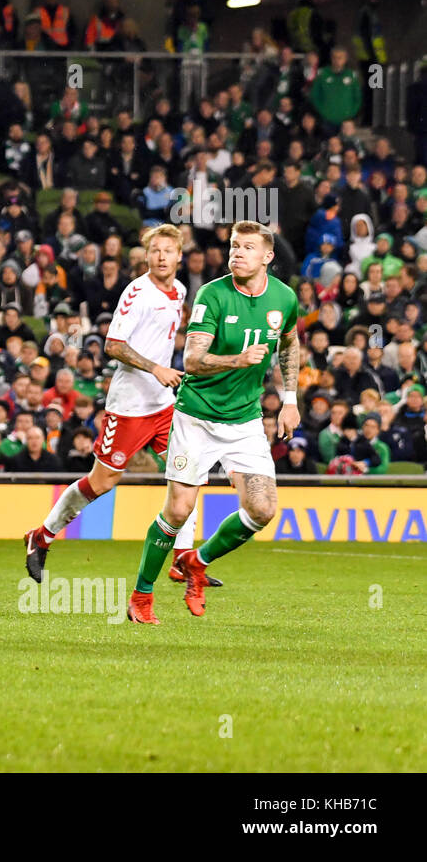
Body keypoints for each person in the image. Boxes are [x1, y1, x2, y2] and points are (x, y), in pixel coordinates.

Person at [131, 220, 300, 624]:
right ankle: (142, 594)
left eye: (246, 248)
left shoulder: (284, 297)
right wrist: (237, 361)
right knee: (178, 510)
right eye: (233, 247)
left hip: (244, 420)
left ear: (267, 256)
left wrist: (290, 400)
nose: (237, 253)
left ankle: (197, 562)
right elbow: (190, 361)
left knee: (262, 508)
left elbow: (290, 342)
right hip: (197, 417)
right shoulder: (213, 295)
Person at [24, 225, 212, 584]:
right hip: (129, 407)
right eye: (154, 250)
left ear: (178, 256)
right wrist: (156, 367)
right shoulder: (137, 292)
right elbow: (113, 345)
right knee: (103, 481)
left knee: (188, 472)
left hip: (164, 405)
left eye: (167, 251)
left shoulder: (180, 291)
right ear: (147, 255)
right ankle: (41, 536)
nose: (160, 257)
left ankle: (183, 560)